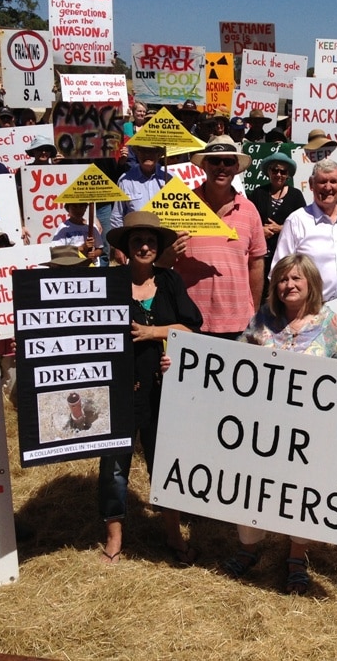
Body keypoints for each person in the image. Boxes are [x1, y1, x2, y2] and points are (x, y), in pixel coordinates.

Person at [223, 253, 337, 594]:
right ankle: (248, 548)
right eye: (282, 279)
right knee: (253, 487)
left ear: (311, 282)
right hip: (262, 428)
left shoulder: (332, 324)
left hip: (309, 431)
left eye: (296, 278)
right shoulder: (264, 319)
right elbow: (235, 361)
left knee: (302, 492)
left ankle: (297, 557)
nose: (288, 285)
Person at [99, 211, 203, 565]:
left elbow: (191, 329)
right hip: (117, 388)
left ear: (159, 247)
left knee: (165, 458)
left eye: (150, 241)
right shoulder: (109, 282)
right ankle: (114, 537)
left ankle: (172, 533)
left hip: (162, 388)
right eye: (136, 241)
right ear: (126, 247)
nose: (144, 246)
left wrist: (154, 332)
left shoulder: (171, 281)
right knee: (114, 463)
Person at [173, 136, 267, 338]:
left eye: (228, 161)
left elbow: (256, 263)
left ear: (236, 167)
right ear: (204, 165)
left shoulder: (250, 210)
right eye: (215, 161)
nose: (221, 167)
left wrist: (254, 310)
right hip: (189, 320)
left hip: (237, 321)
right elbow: (163, 262)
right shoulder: (182, 204)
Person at [271, 159, 337, 323]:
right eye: (322, 182)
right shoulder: (297, 221)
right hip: (310, 314)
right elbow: (278, 272)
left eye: (333, 181)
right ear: (311, 184)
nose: (328, 187)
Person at [248, 151, 306, 289]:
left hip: (285, 256)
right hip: (261, 255)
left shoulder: (296, 195)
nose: (279, 174)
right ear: (268, 171)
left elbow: (304, 224)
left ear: (288, 174)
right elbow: (249, 220)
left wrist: (282, 229)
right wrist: (260, 231)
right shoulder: (258, 193)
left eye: (283, 171)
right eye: (275, 170)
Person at [108, 144, 171, 255]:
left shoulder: (170, 178)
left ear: (159, 155)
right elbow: (117, 216)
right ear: (137, 154)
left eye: (152, 151)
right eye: (143, 151)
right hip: (135, 245)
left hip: (164, 244)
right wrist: (118, 247)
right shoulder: (125, 180)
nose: (147, 155)